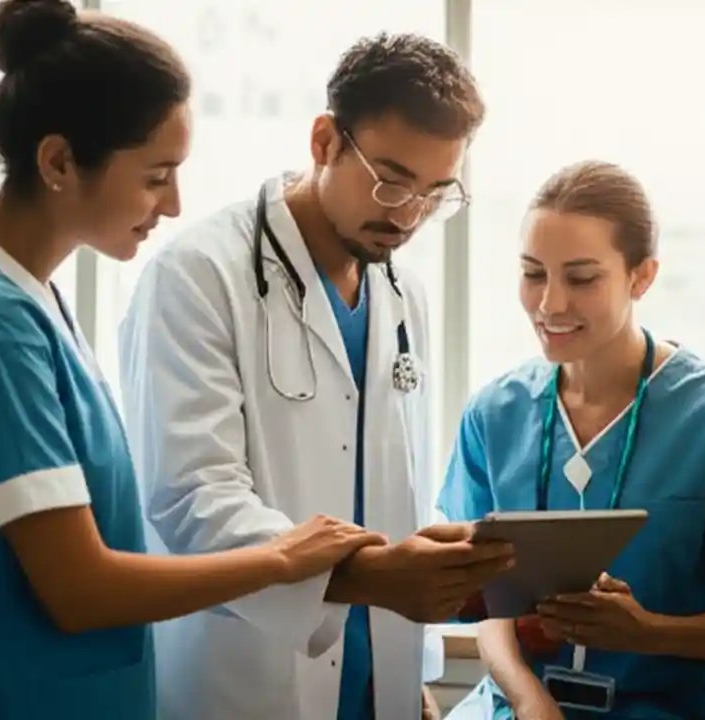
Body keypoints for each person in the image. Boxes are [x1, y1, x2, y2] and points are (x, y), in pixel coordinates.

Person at [0, 2, 390, 719]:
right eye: (154, 176)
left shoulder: (29, 303)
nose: (173, 205)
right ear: (58, 161)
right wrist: (282, 559)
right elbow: (82, 588)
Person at [117, 31, 513, 720]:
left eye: (434, 194)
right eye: (391, 180)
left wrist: (405, 662)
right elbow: (190, 500)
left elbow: (395, 486)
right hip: (244, 683)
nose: (407, 215)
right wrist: (371, 579)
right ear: (324, 140)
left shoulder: (401, 294)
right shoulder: (199, 275)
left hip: (374, 683)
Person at [439, 160, 705, 719]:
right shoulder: (494, 414)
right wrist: (531, 701)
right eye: (533, 274)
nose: (550, 304)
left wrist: (647, 632)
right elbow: (491, 610)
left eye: (581, 278)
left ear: (641, 276)